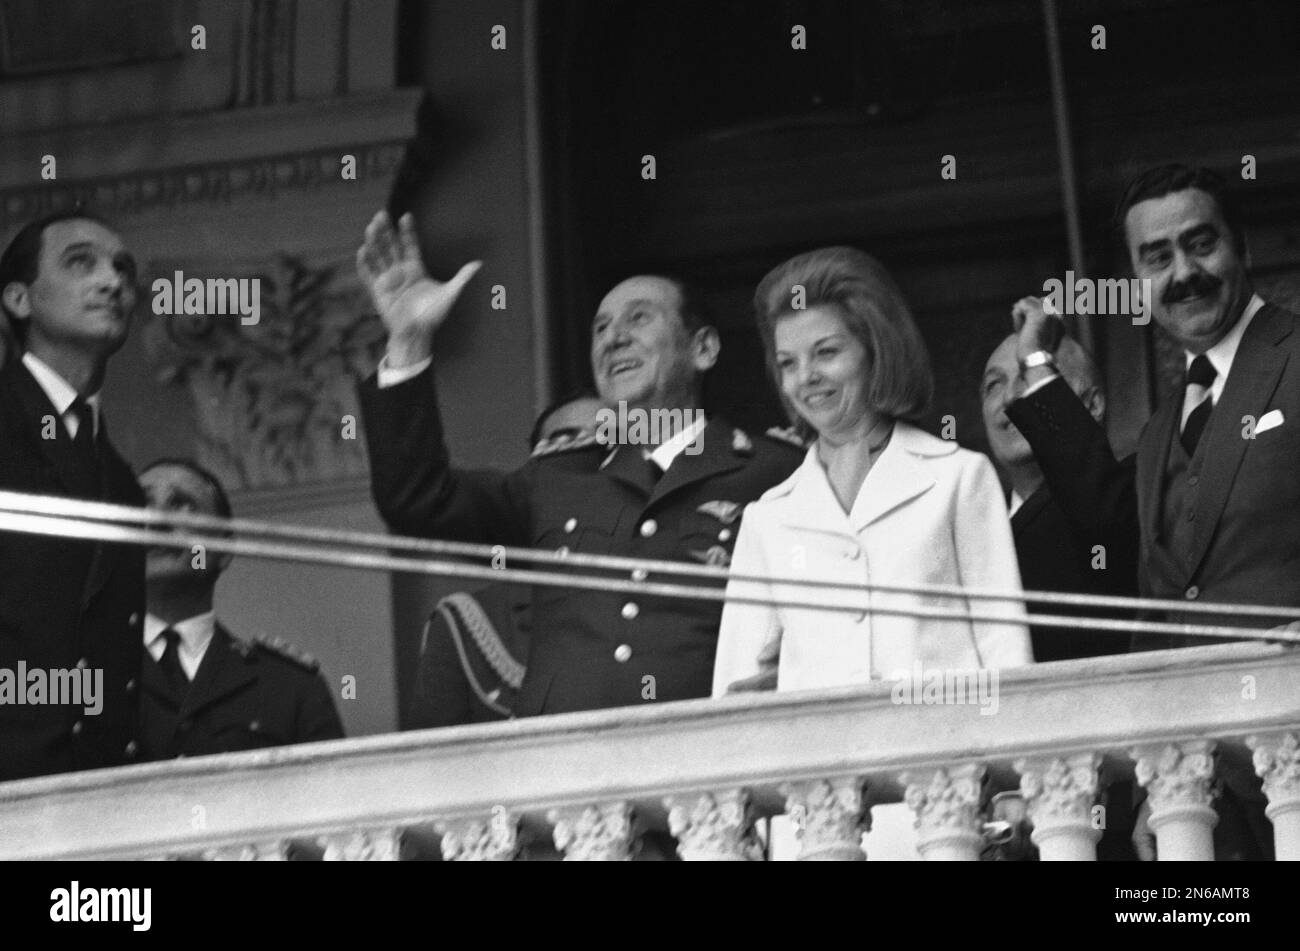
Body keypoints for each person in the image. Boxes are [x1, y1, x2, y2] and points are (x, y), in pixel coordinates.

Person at [356, 210, 804, 716]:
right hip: (559, 775)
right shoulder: (558, 476)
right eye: (601, 328)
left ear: (702, 349)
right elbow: (416, 499)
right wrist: (409, 343)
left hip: (706, 769)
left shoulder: (776, 471)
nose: (614, 338)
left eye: (639, 318)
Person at [712, 247, 1032, 696]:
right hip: (819, 764)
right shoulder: (767, 517)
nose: (805, 377)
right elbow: (735, 690)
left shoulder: (959, 478)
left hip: (945, 759)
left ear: (876, 350)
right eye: (788, 362)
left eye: (826, 352)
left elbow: (1007, 655)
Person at [0, 210, 145, 781]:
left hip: (97, 795)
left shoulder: (120, 476)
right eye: (80, 263)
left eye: (122, 269)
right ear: (18, 300)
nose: (112, 281)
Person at [407, 391, 605, 727]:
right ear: (536, 474)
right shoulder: (470, 623)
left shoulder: (676, 594)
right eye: (567, 443)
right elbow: (434, 768)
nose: (588, 459)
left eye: (608, 442)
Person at [137, 459, 344, 758]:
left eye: (182, 503)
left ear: (223, 548)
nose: (155, 520)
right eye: (140, 503)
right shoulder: (83, 677)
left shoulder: (290, 687)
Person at [981, 332, 1136, 662]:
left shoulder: (1135, 496)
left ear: (1091, 404)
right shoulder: (972, 527)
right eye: (994, 385)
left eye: (1028, 375)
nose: (1009, 399)